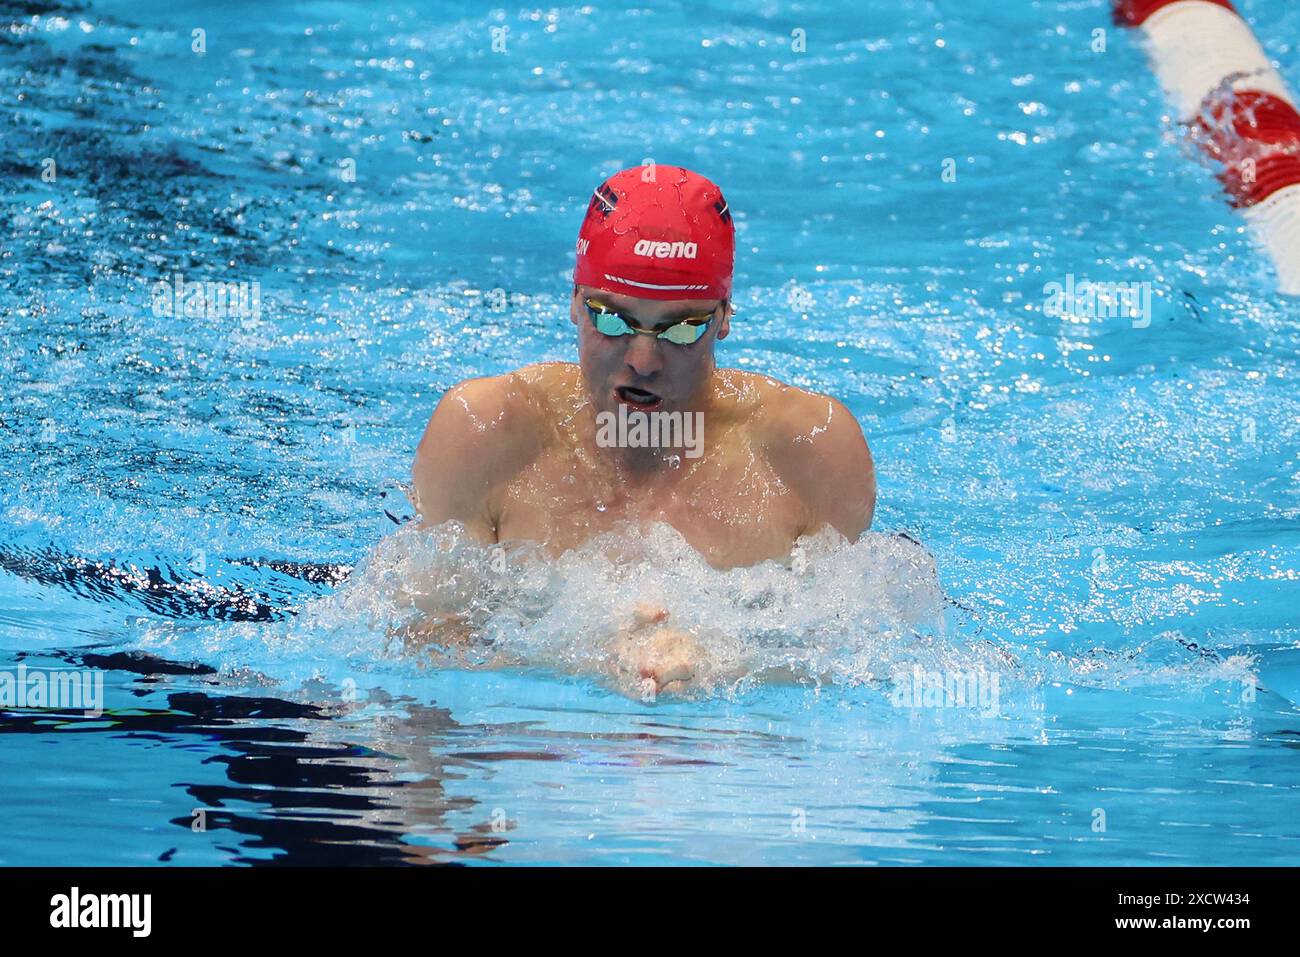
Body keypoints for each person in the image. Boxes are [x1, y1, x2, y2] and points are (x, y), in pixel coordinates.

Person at [406, 164, 876, 693]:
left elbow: (857, 664)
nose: (645, 360)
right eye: (612, 320)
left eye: (681, 328)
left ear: (723, 316)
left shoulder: (810, 450)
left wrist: (717, 667)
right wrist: (590, 661)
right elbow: (424, 648)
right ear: (574, 301)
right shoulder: (484, 432)